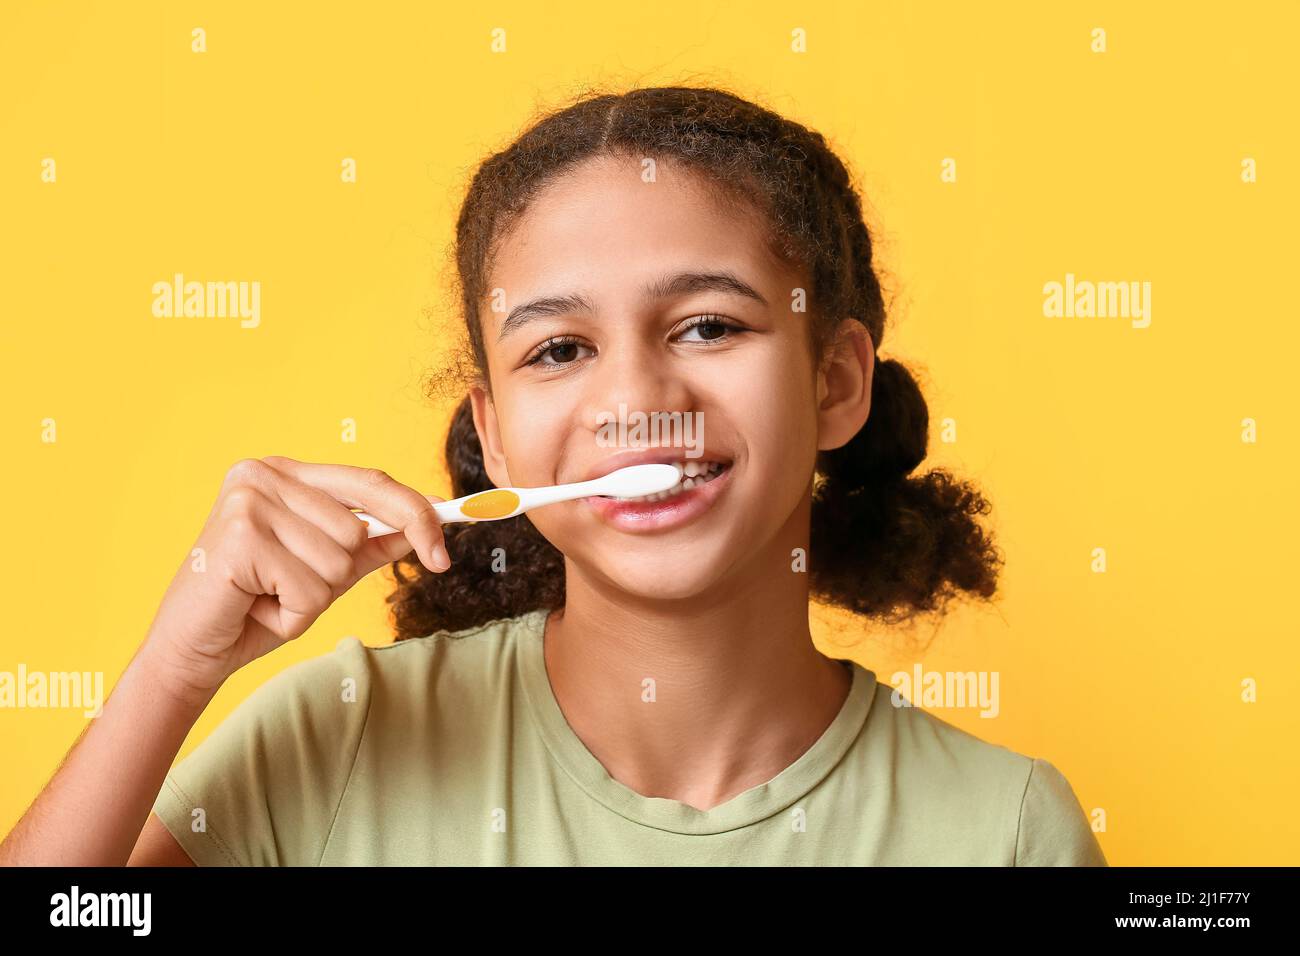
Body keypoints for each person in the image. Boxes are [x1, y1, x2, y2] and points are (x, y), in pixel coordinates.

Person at [0, 85, 1106, 866]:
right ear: (497, 433)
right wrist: (170, 674)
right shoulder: (335, 736)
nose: (634, 399)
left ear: (833, 378)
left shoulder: (1001, 826)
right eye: (558, 349)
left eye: (709, 324)